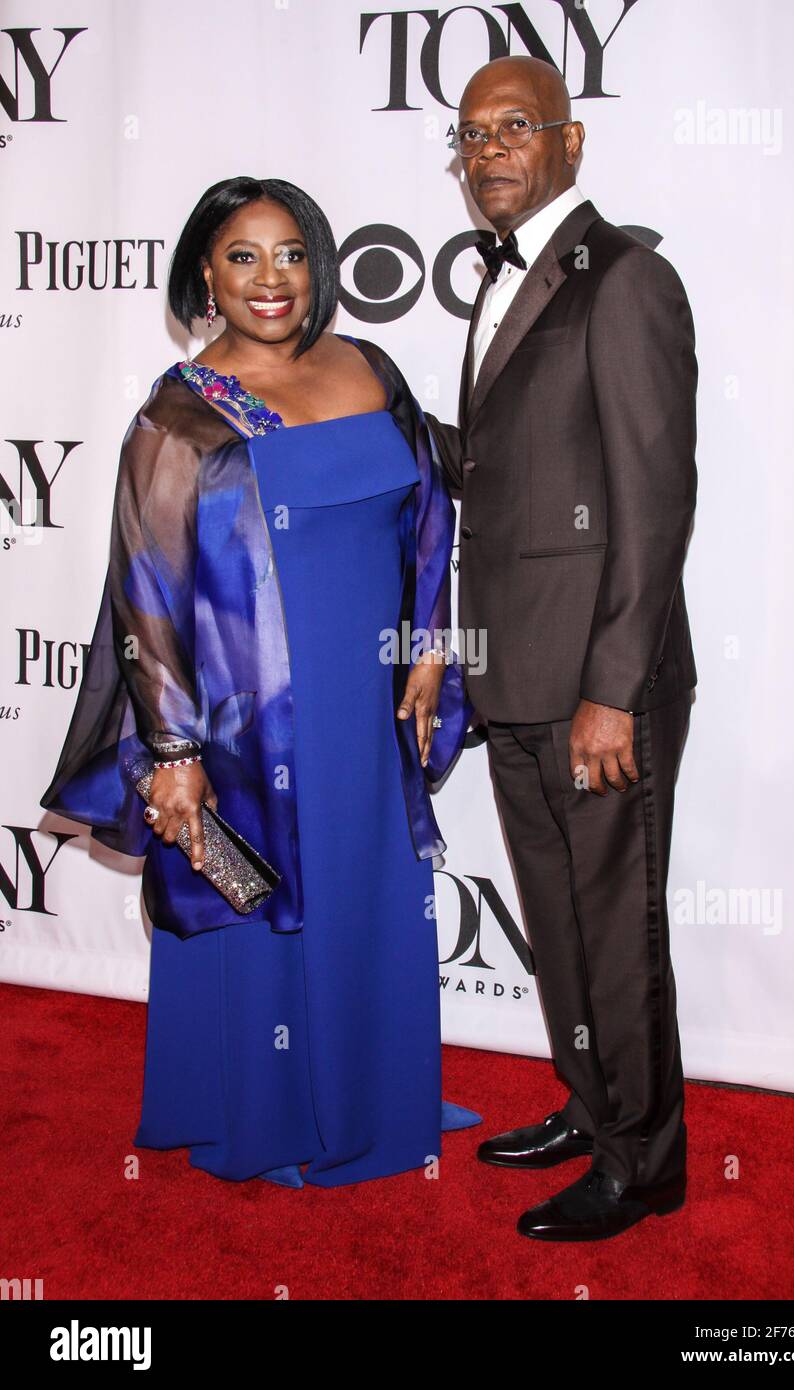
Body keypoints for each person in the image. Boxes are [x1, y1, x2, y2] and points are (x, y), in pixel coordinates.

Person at [41, 176, 479, 1189]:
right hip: (253, 722)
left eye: (289, 254)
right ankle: (267, 1108)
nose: (270, 279)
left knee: (367, 885)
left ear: (318, 265)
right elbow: (147, 599)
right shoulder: (180, 417)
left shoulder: (369, 364)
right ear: (207, 271)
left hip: (366, 708)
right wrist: (176, 756)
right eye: (243, 256)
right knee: (268, 892)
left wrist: (428, 646)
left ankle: (375, 1094)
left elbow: (428, 511)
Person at [425, 56, 698, 1240]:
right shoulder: (499, 288)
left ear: (569, 143)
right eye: (470, 134)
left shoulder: (624, 279)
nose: (488, 150)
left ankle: (644, 1165)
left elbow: (654, 502)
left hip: (595, 684)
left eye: (512, 127)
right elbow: (498, 481)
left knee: (611, 922)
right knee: (559, 918)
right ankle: (590, 1108)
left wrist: (610, 689)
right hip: (511, 674)